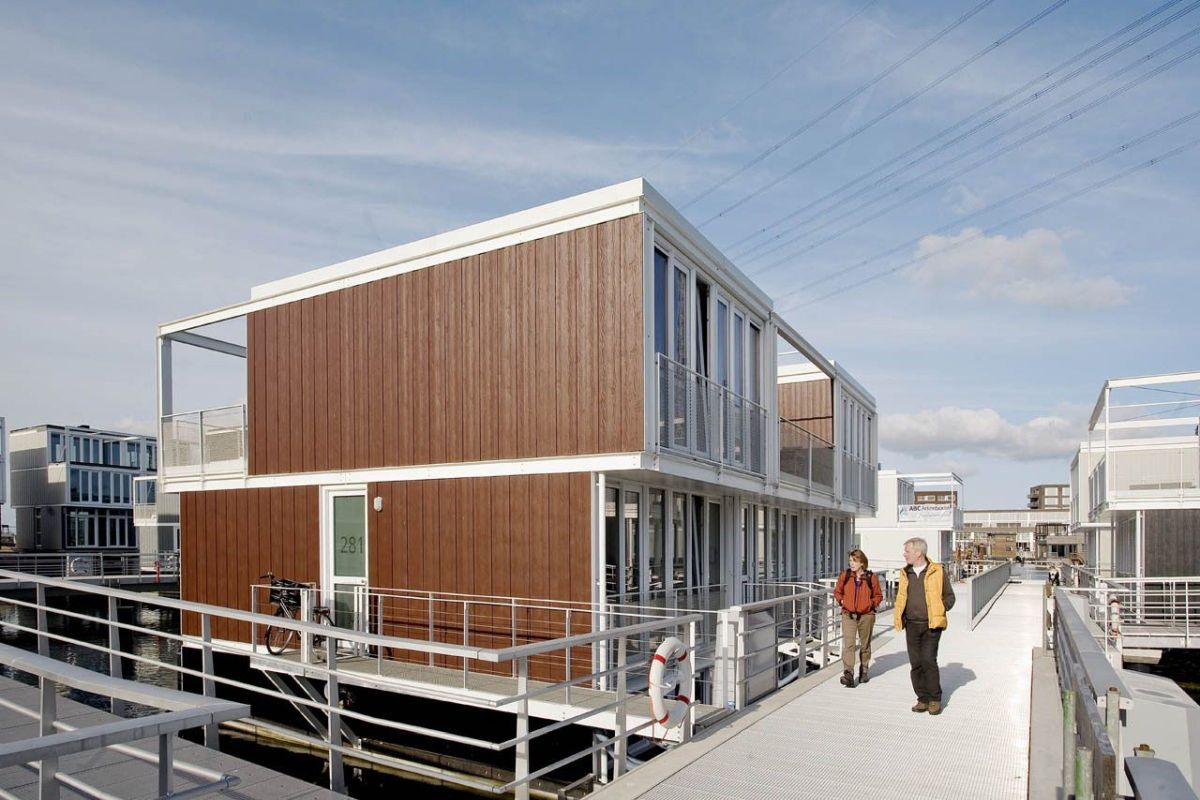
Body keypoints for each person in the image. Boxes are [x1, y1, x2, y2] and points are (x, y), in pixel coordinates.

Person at [894, 537, 956, 715]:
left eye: (907, 551)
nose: (904, 554)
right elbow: (901, 596)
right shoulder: (905, 573)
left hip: (931, 625)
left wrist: (940, 608)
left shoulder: (937, 571)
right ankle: (922, 698)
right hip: (911, 625)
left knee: (928, 660)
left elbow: (950, 597)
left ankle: (934, 699)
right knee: (916, 663)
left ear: (918, 552)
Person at [834, 548, 883, 688]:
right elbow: (837, 591)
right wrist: (842, 601)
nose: (851, 563)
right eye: (850, 560)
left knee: (865, 645)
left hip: (866, 616)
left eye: (854, 561)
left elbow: (878, 595)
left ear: (862, 562)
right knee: (848, 645)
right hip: (848, 615)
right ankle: (848, 674)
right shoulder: (845, 575)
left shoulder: (870, 577)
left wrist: (870, 604)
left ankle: (864, 670)